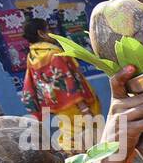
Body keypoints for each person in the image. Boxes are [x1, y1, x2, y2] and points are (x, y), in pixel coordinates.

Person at [19, 16, 101, 151]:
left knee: (72, 134)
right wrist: (84, 108)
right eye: (49, 29)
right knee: (87, 135)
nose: (53, 33)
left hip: (59, 106)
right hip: (75, 105)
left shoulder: (32, 56)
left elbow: (34, 84)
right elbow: (68, 81)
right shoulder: (54, 53)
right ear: (41, 33)